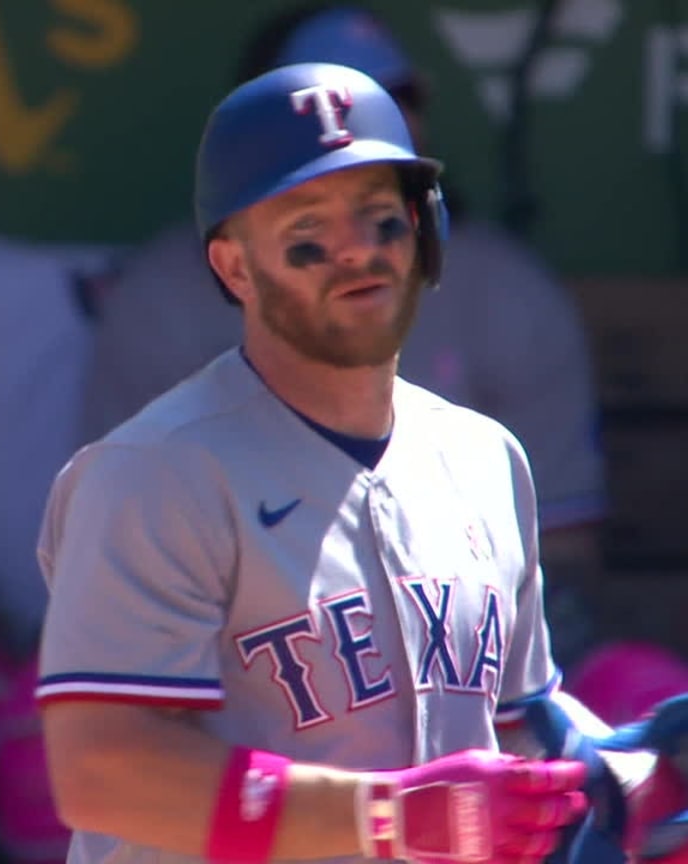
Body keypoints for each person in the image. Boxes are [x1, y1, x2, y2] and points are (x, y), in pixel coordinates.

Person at [35, 62, 688, 864]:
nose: (357, 252)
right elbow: (105, 771)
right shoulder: (155, 473)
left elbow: (517, 727)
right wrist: (386, 816)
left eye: (380, 218)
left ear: (424, 228)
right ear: (234, 267)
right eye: (308, 229)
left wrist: (618, 789)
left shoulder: (485, 460)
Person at [78, 4, 609, 669]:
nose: (352, 132)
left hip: (458, 658)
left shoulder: (505, 312)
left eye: (393, 97)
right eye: (319, 115)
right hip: (233, 673)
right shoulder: (164, 300)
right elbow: (127, 568)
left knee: (643, 708)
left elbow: (561, 562)